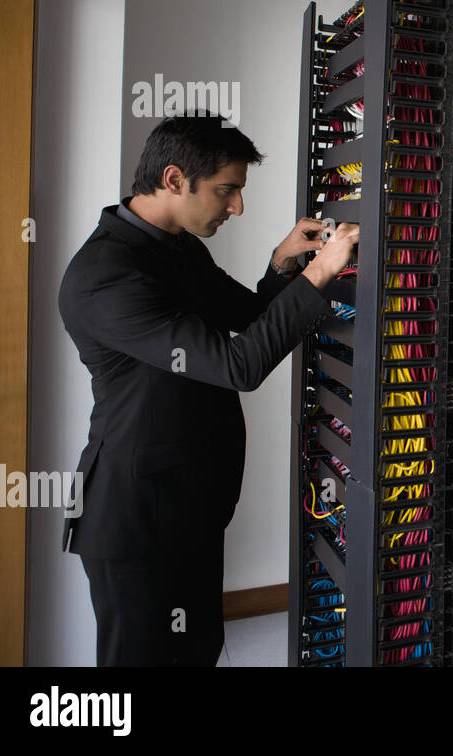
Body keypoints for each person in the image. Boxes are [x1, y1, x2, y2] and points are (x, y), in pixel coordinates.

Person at [58, 115, 358, 666]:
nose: (236, 207)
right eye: (227, 190)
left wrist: (283, 265)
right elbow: (237, 364)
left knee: (196, 650)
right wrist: (320, 278)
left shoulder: (176, 247)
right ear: (174, 179)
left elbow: (246, 317)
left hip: (190, 502)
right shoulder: (106, 273)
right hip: (137, 516)